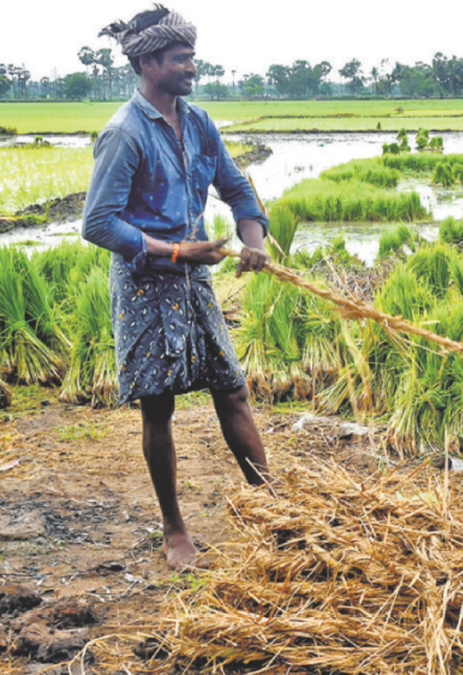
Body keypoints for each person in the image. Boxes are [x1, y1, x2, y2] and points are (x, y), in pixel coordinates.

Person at [84, 6, 273, 570]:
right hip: (146, 283)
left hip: (194, 279)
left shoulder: (199, 123)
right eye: (180, 58)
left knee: (231, 389)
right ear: (148, 63)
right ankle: (174, 530)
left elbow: (238, 190)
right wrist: (172, 250)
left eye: (192, 55)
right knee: (158, 406)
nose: (192, 65)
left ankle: (274, 504)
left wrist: (254, 238)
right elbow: (99, 222)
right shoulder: (125, 133)